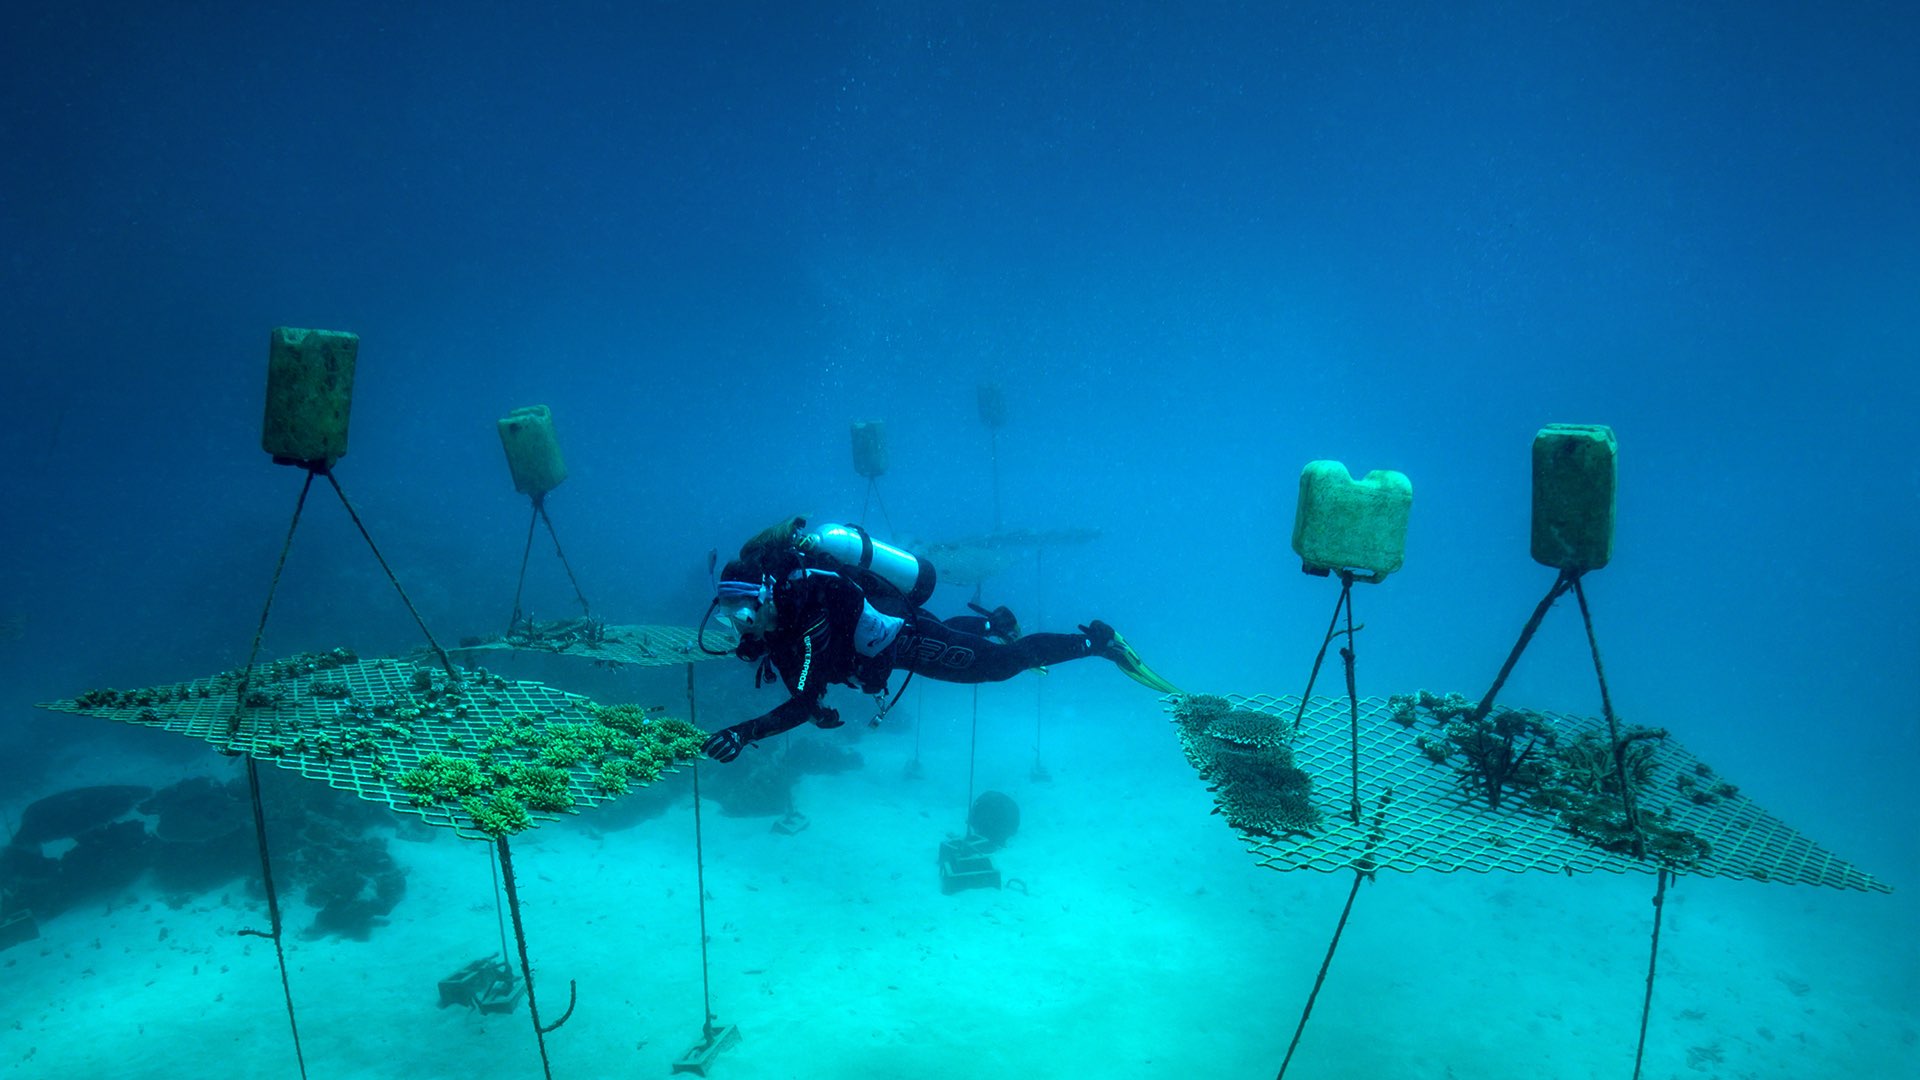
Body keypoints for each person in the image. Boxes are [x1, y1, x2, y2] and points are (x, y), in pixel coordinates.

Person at [698, 517, 1177, 763]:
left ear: (765, 594)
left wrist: (745, 732)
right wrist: (818, 697)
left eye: (742, 611)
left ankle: (1100, 643)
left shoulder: (803, 619)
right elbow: (809, 679)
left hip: (905, 641)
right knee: (962, 642)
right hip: (891, 632)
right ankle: (992, 624)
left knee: (1001, 665)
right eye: (726, 612)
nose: (737, 623)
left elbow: (803, 689)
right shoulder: (781, 617)